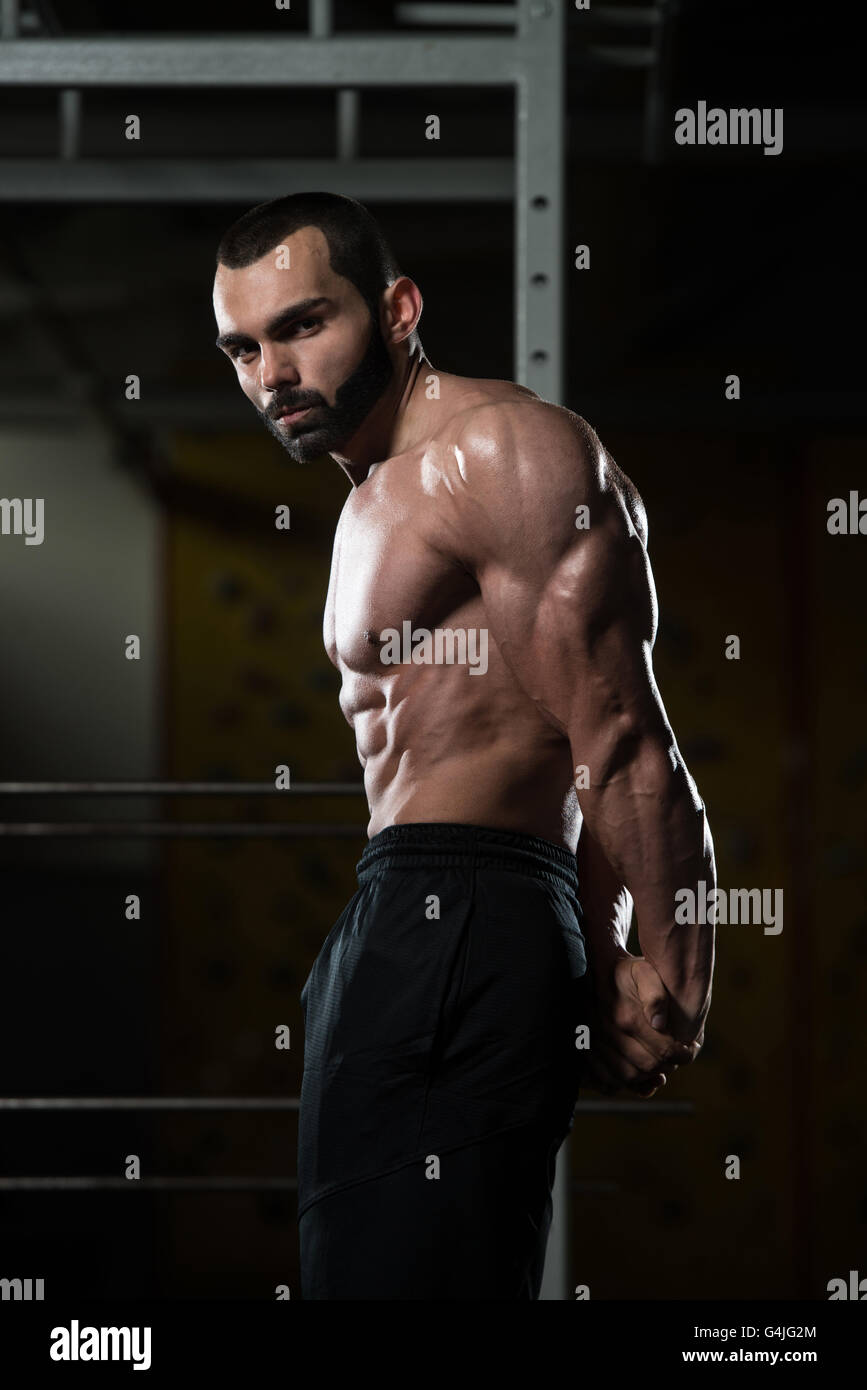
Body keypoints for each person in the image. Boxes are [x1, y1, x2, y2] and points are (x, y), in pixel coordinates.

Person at [213, 192, 716, 1299]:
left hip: (466, 913)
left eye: (303, 326)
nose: (271, 373)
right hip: (410, 911)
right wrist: (586, 949)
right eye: (243, 346)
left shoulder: (502, 449)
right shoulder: (369, 497)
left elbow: (617, 734)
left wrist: (671, 975)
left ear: (397, 308)